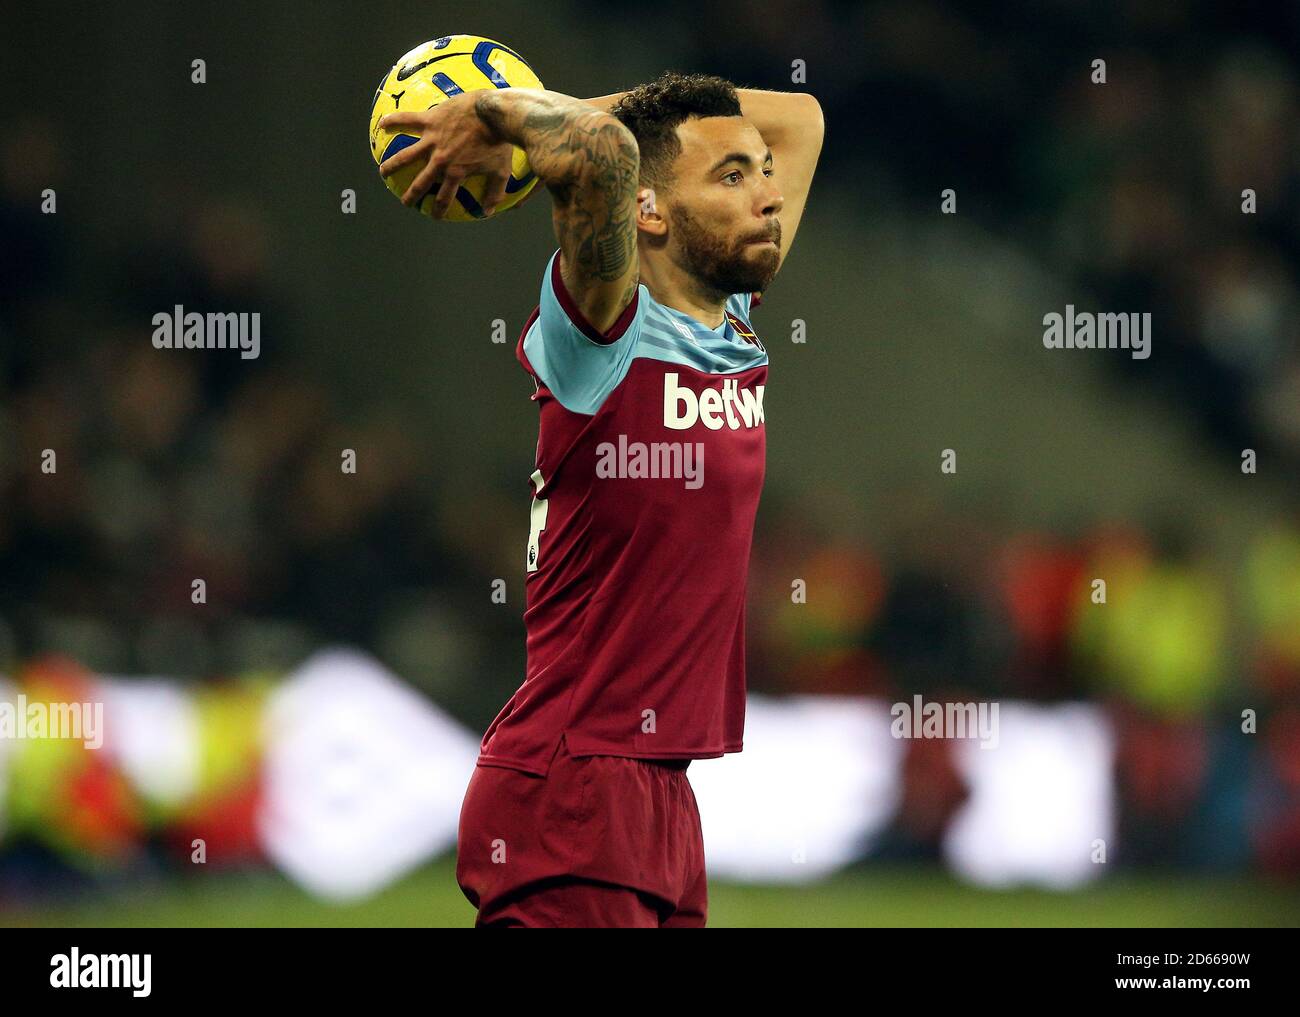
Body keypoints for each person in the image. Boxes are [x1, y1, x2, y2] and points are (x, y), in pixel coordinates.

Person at [378, 70, 823, 926]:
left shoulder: (728, 320)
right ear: (648, 211)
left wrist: (653, 120)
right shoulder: (604, 330)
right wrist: (493, 112)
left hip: (659, 800)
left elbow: (797, 118)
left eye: (759, 172)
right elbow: (606, 154)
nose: (768, 194)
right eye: (731, 177)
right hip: (570, 788)